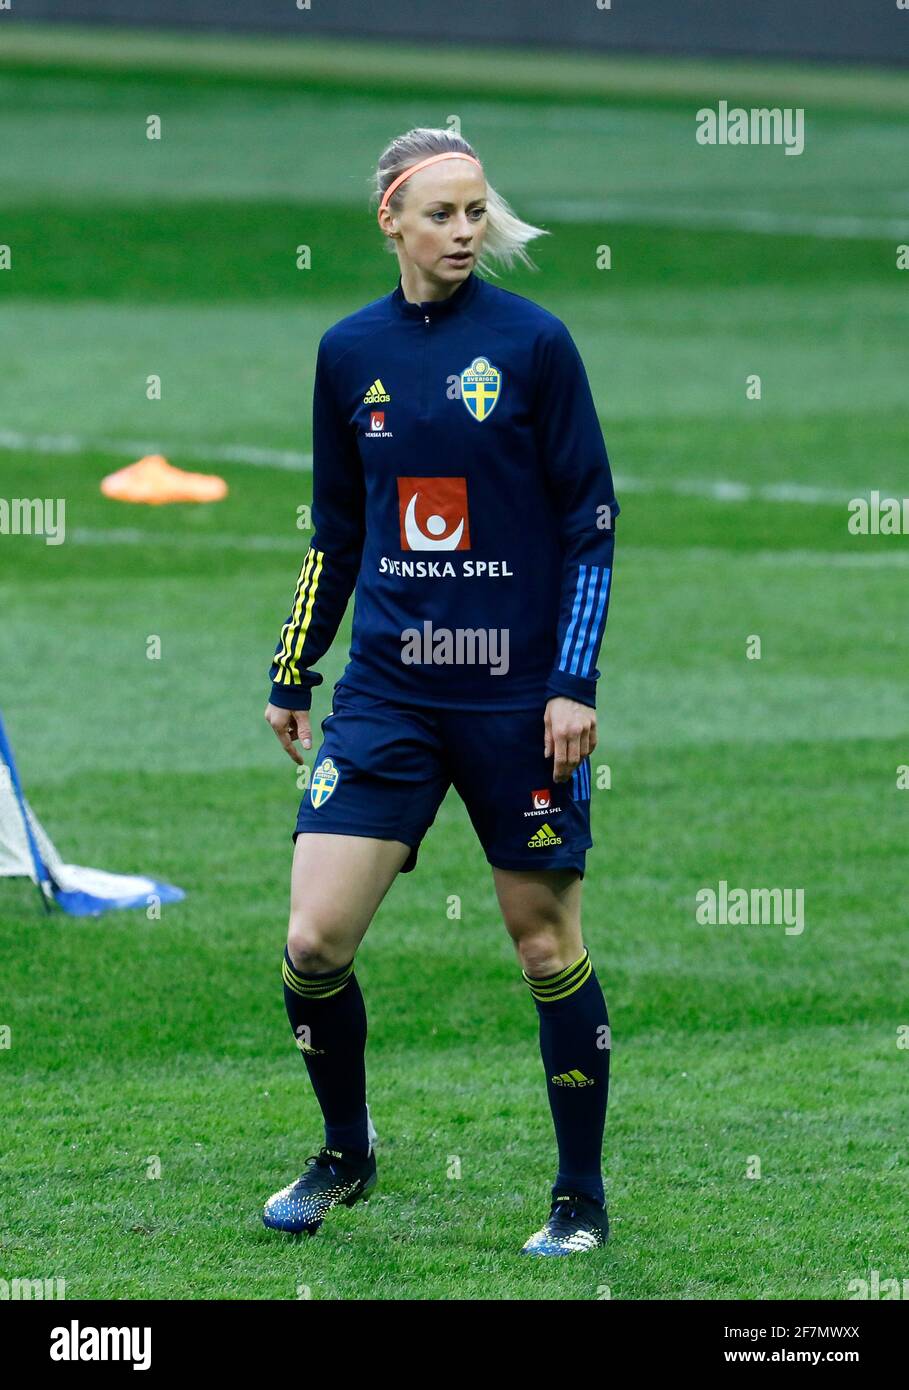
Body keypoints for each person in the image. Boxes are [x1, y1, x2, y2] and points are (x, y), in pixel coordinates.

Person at [261, 128, 619, 1256]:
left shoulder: (534, 344)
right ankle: (345, 1153)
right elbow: (337, 529)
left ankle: (578, 1196)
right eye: (442, 214)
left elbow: (592, 525)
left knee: (543, 945)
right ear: (391, 221)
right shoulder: (347, 351)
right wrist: (294, 662)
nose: (465, 232)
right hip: (389, 696)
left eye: (476, 212)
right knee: (315, 940)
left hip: (517, 701)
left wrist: (571, 683)